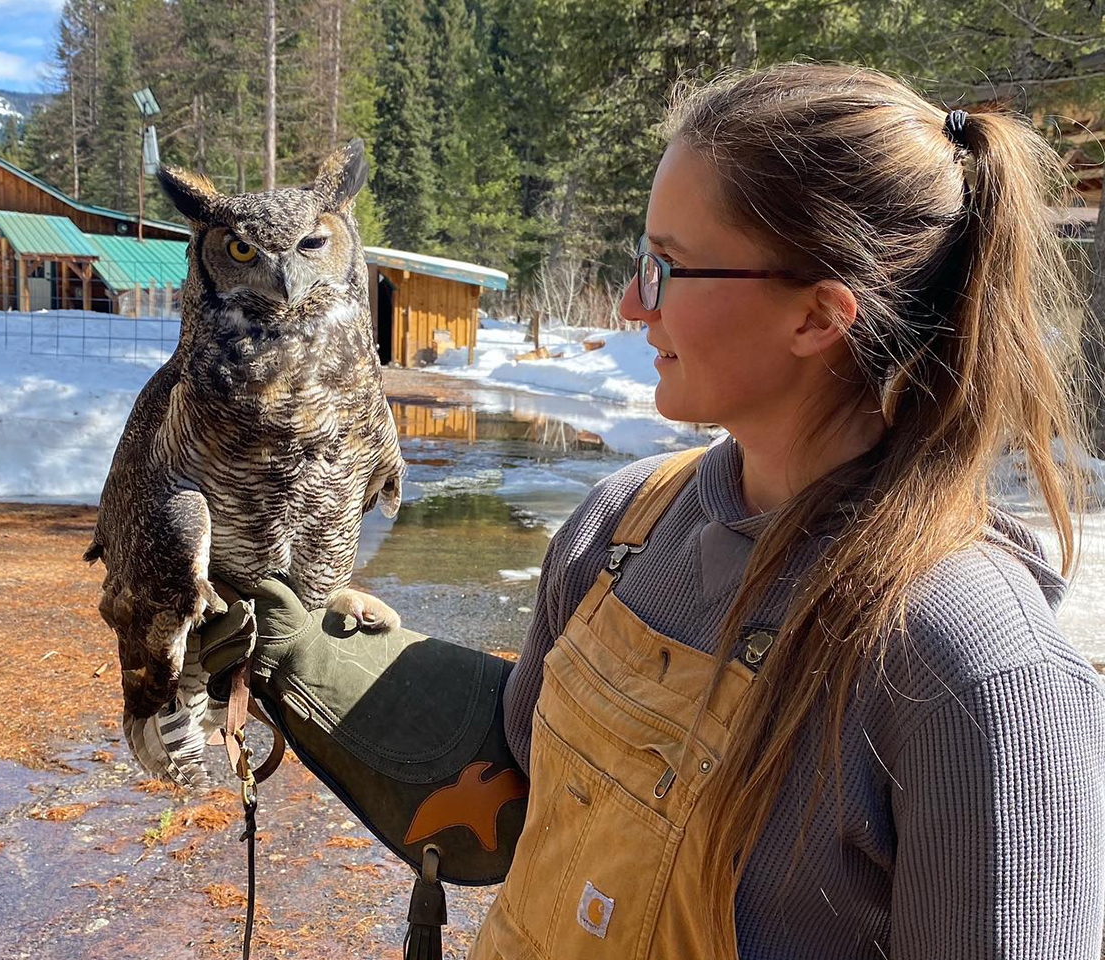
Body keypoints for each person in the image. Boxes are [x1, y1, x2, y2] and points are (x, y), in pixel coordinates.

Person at [212, 63, 1105, 960]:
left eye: (668, 266)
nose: (633, 303)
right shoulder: (623, 524)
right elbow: (529, 775)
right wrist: (312, 658)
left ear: (818, 316)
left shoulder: (978, 674)